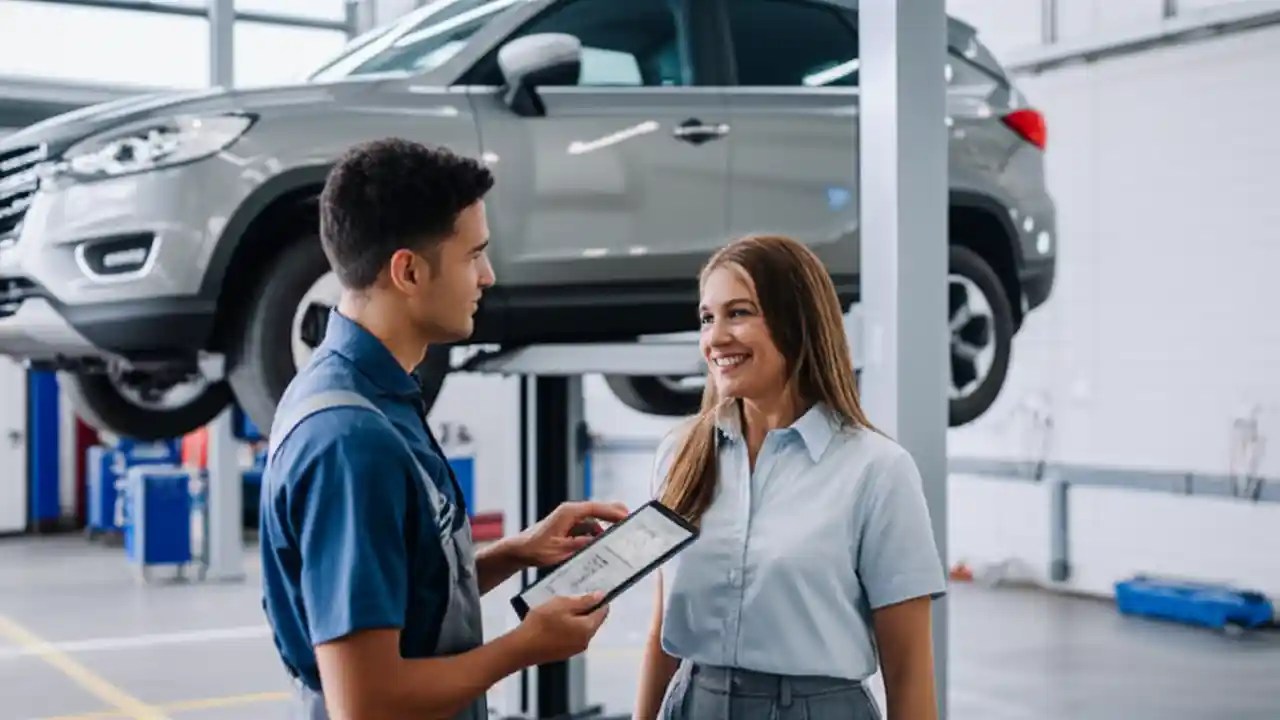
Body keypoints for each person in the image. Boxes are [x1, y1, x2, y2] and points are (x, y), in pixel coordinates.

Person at [259, 138, 628, 720]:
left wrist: (513, 553)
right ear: (407, 270)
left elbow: (398, 603)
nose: (487, 275)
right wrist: (525, 646)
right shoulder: (351, 440)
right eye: (472, 255)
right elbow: (367, 701)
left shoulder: (375, 397)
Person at [634, 235, 948, 720]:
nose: (715, 337)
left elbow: (909, 673)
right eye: (707, 317)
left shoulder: (877, 471)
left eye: (738, 313)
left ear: (796, 322)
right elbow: (664, 634)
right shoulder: (679, 455)